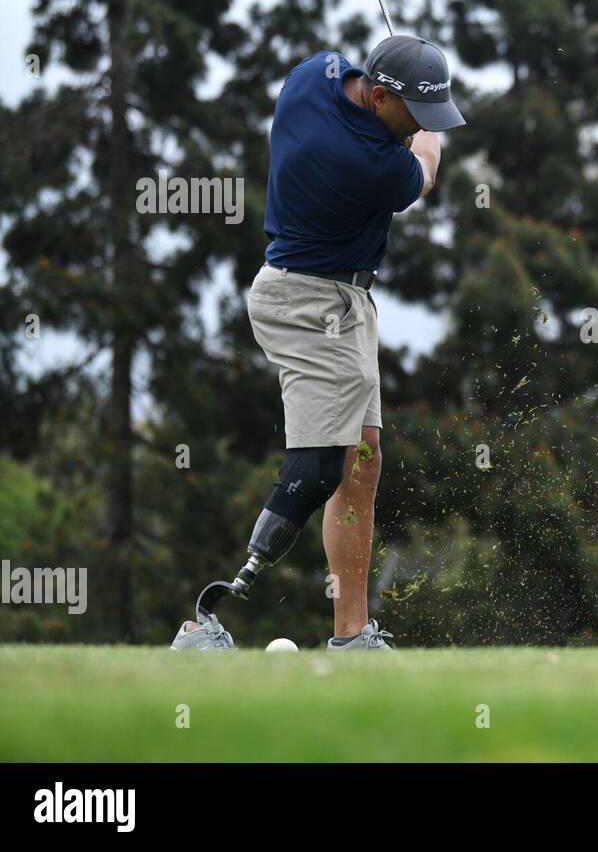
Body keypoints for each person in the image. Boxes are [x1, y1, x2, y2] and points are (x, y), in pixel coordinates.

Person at [172, 35, 465, 651]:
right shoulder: (371, 165)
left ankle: (352, 636)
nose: (422, 127)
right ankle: (209, 615)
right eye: (416, 115)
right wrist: (430, 139)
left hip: (346, 301)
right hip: (308, 304)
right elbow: (425, 172)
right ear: (380, 97)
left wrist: (416, 79)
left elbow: (357, 76)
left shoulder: (314, 76)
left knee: (362, 460)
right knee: (318, 467)